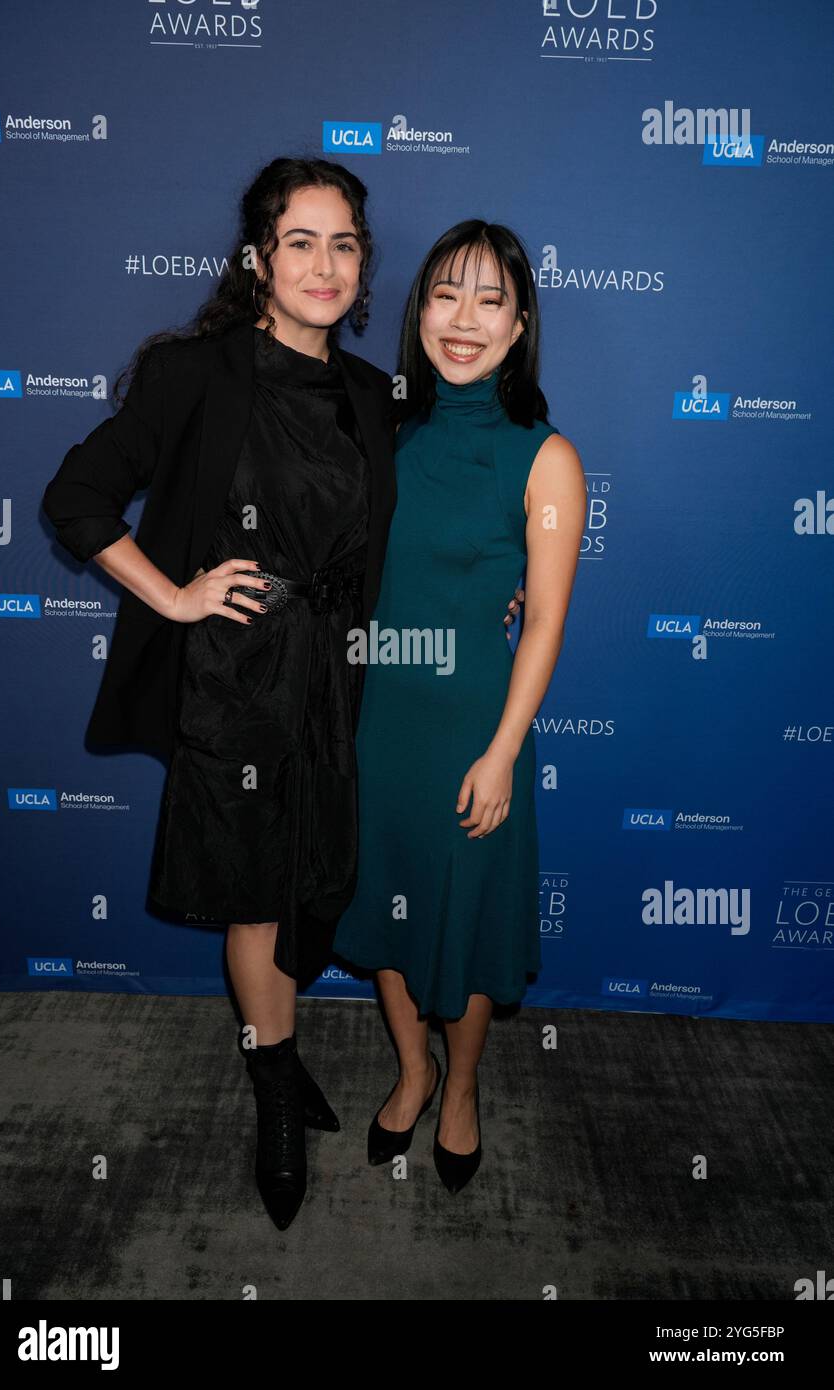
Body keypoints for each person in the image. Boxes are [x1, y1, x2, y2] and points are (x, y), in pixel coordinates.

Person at [42, 161, 522, 1231]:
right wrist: (172, 595)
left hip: (344, 682)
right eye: (298, 240)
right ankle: (270, 1086)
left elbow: (435, 509)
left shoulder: (369, 397)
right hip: (235, 682)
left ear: (362, 269)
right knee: (255, 895)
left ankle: (282, 1045)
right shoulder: (195, 373)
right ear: (259, 257)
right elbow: (74, 496)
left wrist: (507, 582)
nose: (323, 263)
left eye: (343, 242)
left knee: (312, 884)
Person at [333, 220, 587, 1193]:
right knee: (387, 907)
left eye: (490, 299)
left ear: (519, 323)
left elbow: (546, 624)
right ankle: (410, 1070)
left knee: (466, 922)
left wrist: (501, 751)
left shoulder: (546, 458)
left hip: (478, 730)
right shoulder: (381, 430)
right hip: (377, 721)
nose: (464, 319)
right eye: (445, 294)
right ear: (419, 309)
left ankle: (463, 1085)